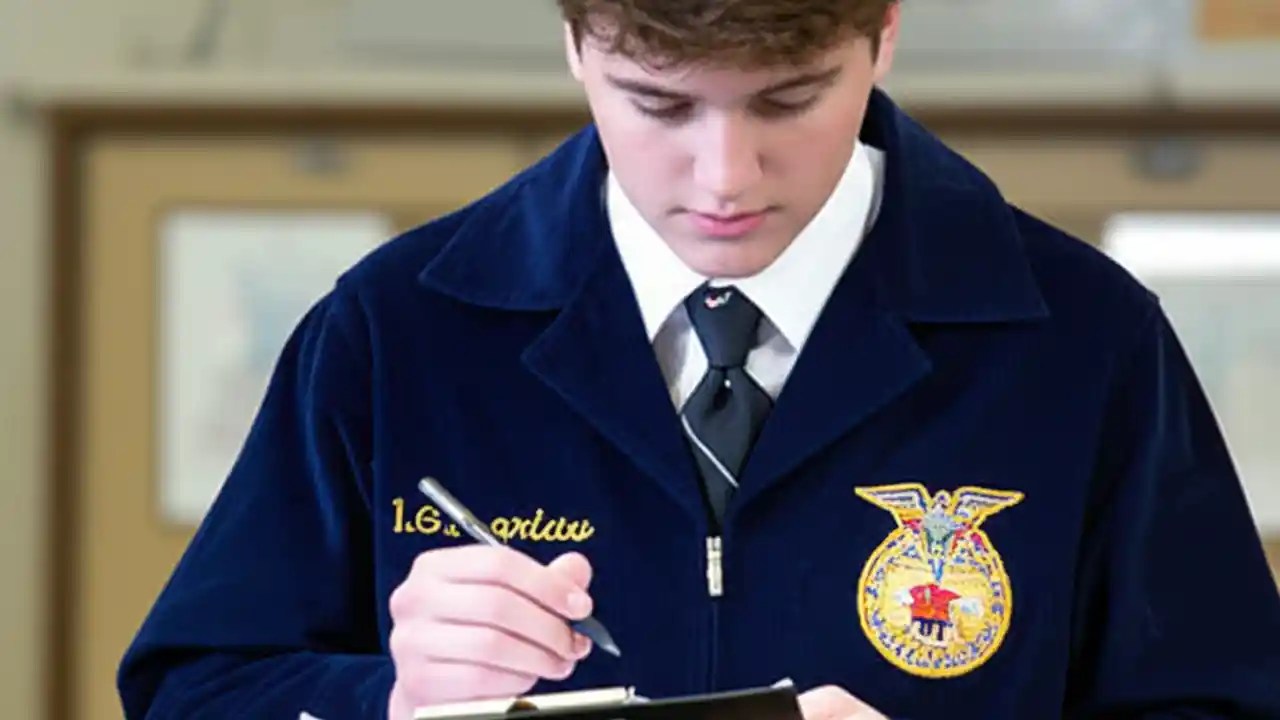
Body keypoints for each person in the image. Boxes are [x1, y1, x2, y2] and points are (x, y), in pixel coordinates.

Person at [118, 1, 1280, 718]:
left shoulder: (1083, 342)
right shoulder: (393, 332)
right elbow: (194, 689)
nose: (724, 178)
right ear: (574, 42)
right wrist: (390, 702)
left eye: (788, 100)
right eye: (658, 105)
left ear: (882, 32)